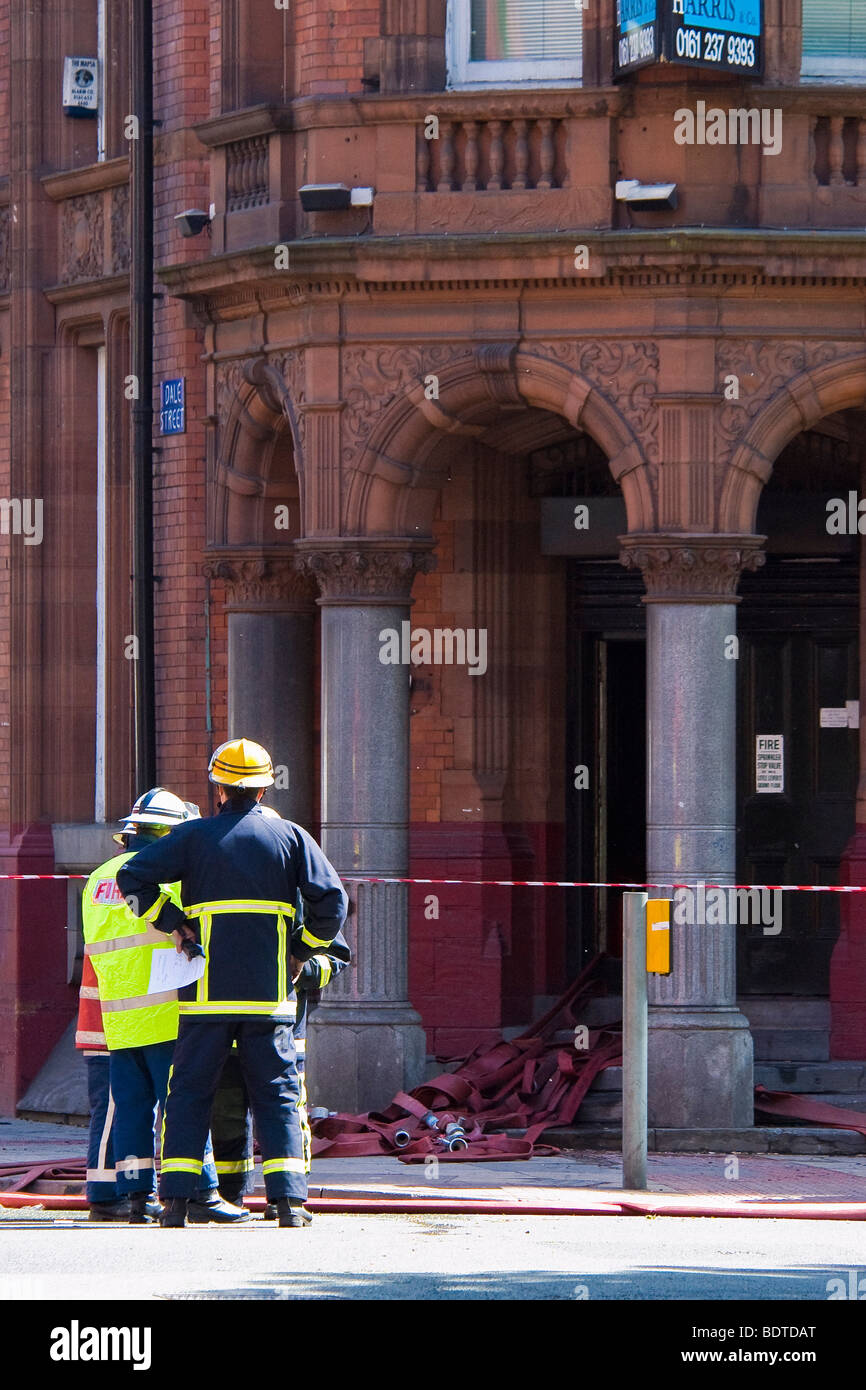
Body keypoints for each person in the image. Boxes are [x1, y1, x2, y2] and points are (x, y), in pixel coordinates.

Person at [117, 739, 348, 1229]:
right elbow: (332, 902)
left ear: (218, 787)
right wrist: (301, 949)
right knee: (279, 1094)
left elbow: (134, 875)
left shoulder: (193, 837)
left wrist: (174, 922)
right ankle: (289, 1204)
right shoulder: (292, 839)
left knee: (189, 1095)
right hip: (270, 1001)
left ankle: (176, 1203)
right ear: (264, 788)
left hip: (205, 1001)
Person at [84, 788, 247, 1225]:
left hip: (120, 1020)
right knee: (185, 1104)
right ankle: (204, 1190)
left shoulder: (95, 880)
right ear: (167, 835)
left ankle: (137, 1198)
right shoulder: (170, 878)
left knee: (133, 1110)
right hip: (169, 1014)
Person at [211, 807, 352, 1218]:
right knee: (226, 1110)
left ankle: (286, 1198)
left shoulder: (302, 897)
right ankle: (229, 1193)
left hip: (284, 1026)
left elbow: (336, 956)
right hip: (227, 1027)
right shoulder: (224, 891)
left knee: (283, 1109)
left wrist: (300, 966)